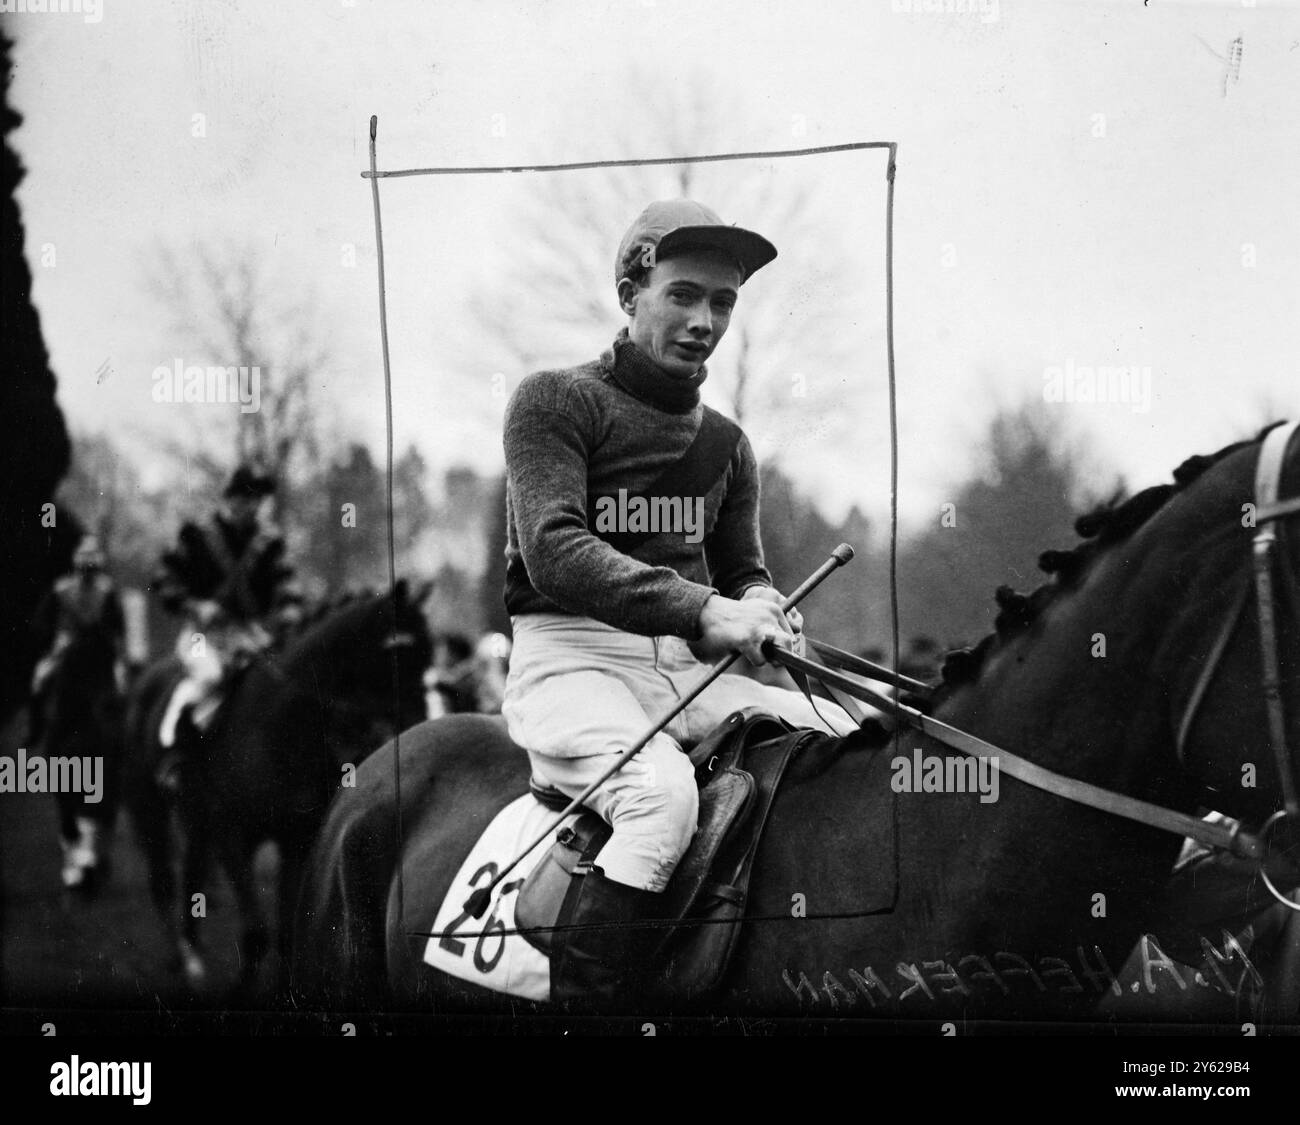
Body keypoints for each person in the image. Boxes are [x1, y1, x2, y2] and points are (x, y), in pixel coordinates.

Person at [501, 199, 865, 1000]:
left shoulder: (728, 444)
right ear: (632, 290)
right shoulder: (554, 402)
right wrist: (707, 611)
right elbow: (555, 551)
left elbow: (741, 569)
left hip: (683, 673)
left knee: (854, 737)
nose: (705, 320)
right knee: (660, 800)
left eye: (723, 302)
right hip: (570, 664)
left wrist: (767, 604)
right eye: (683, 294)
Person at [153, 466, 297, 790]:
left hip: (249, 634)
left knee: (277, 682)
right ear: (230, 499)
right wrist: (195, 605)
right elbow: (163, 579)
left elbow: (288, 588)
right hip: (202, 635)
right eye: (248, 498)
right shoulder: (196, 535)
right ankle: (173, 749)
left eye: (258, 499)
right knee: (210, 676)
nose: (255, 506)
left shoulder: (270, 543)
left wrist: (288, 616)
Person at [28, 534, 126, 750]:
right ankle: (35, 731)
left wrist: (116, 655)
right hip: (65, 647)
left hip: (98, 651)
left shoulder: (107, 591)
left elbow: (117, 626)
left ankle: (118, 742)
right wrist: (55, 638)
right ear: (76, 561)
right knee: (40, 681)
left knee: (119, 692)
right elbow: (42, 621)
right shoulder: (61, 589)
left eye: (92, 563)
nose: (87, 568)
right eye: (84, 561)